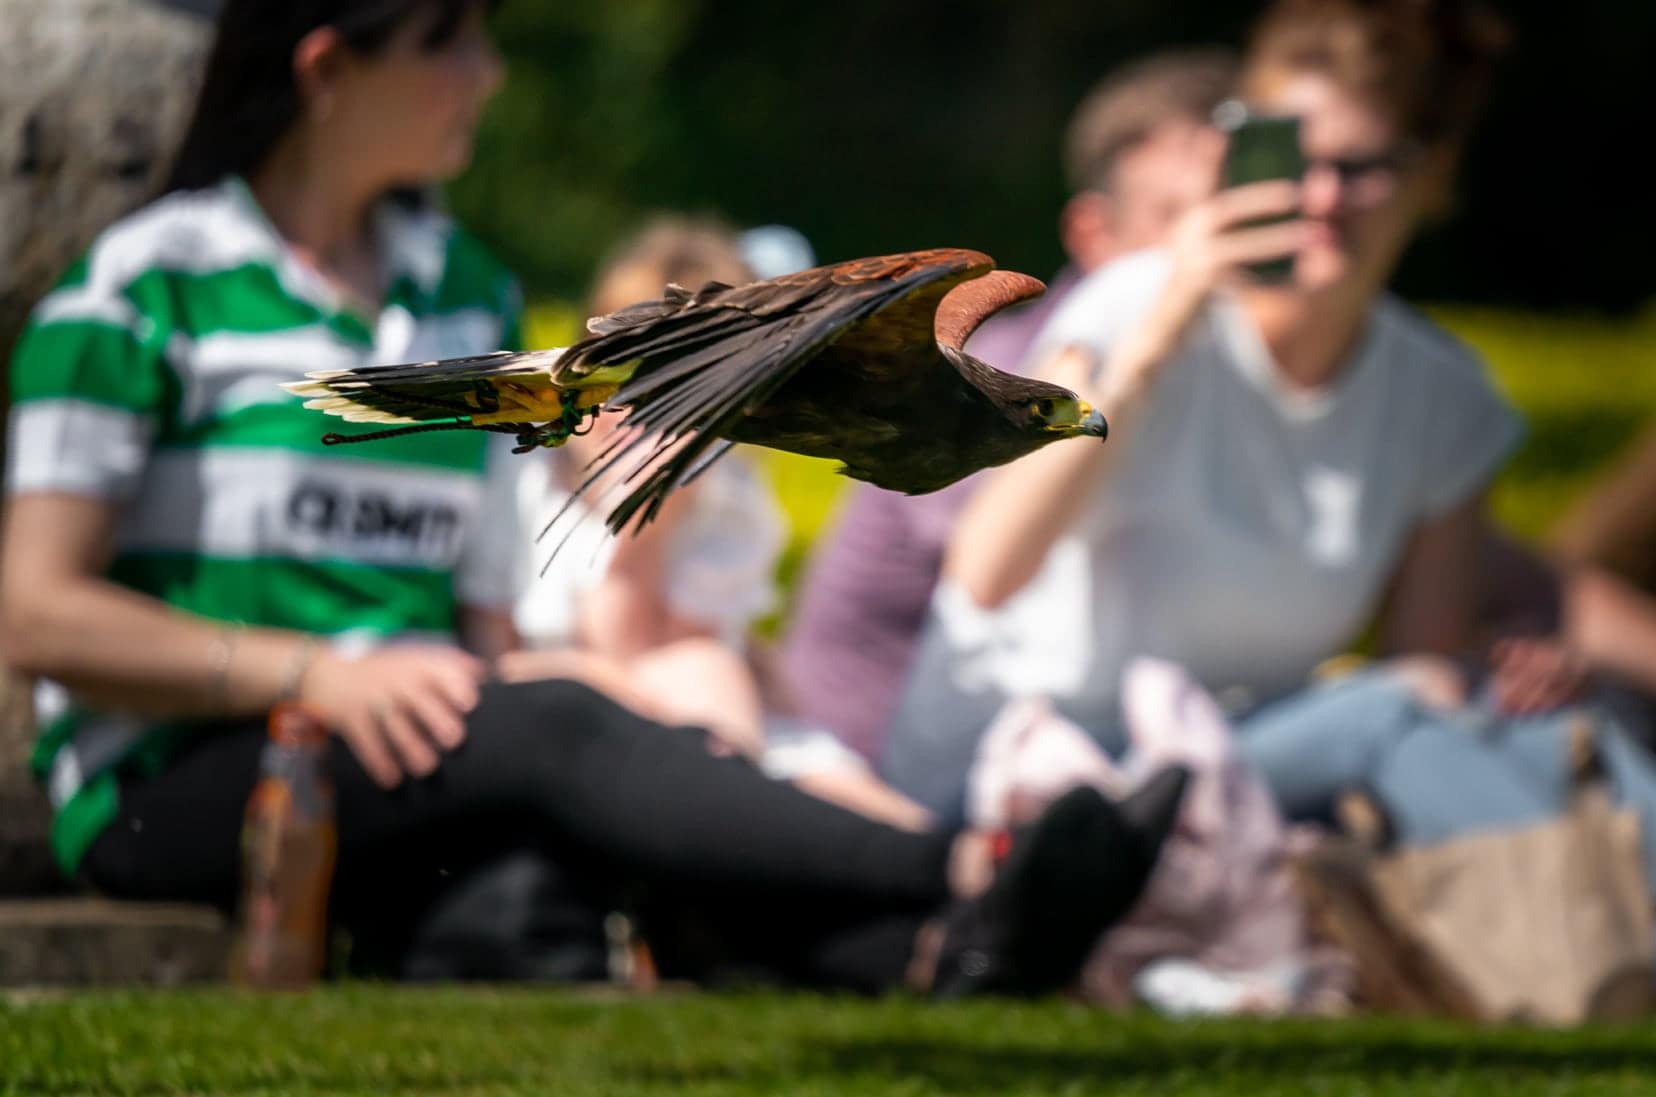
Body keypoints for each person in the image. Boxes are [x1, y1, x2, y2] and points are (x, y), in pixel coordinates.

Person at [0, 0, 1182, 994]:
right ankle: (969, 869)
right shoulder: (141, 291)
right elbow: (35, 614)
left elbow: (481, 611)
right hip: (171, 778)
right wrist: (317, 675)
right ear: (327, 68)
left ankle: (953, 957)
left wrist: (591, 695)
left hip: (419, 743)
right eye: (450, 41)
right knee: (565, 733)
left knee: (601, 795)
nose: (488, 72)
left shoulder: (464, 294)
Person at [882, 0, 1520, 821]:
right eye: (1296, 157)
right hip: (1021, 768)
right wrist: (1154, 340)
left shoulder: (1443, 395)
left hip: (1232, 775)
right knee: (1402, 709)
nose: (1322, 196)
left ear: (1432, 175)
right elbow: (985, 570)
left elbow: (1428, 668)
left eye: (1362, 168)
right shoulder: (1131, 306)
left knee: (1511, 721)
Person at [782, 49, 1237, 763]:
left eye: (1227, 212)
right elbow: (989, 563)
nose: (1209, 246)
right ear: (1093, 234)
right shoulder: (1005, 368)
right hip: (874, 760)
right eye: (1175, 216)